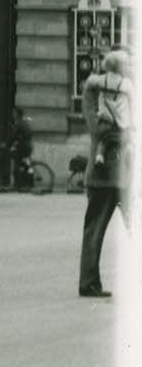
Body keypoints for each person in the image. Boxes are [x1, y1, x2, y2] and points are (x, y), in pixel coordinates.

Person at [79, 50, 133, 298]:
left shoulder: (98, 112)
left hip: (105, 177)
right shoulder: (123, 100)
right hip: (119, 176)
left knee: (94, 231)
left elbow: (88, 95)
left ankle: (88, 282)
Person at [8, 106, 35, 188]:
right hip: (28, 145)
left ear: (17, 114)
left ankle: (18, 184)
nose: (13, 115)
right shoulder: (25, 122)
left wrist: (8, 145)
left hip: (23, 147)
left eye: (14, 113)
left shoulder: (19, 123)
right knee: (25, 165)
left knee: (18, 164)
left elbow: (14, 136)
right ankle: (26, 183)